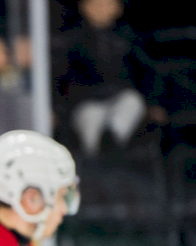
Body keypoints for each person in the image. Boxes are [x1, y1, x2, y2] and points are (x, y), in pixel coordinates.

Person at [54, 0, 167, 156]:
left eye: (107, 4)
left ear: (118, 8)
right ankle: (96, 162)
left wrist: (154, 103)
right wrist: (56, 109)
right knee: (91, 120)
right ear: (84, 7)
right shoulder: (71, 39)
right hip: (86, 102)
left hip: (121, 95)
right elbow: (59, 78)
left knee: (131, 102)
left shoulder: (127, 37)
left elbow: (147, 71)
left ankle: (113, 137)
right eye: (96, 4)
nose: (102, 9)